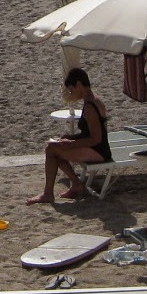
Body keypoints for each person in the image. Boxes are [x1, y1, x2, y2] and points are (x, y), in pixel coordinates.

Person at [27, 68, 110, 204]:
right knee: (55, 147)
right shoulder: (93, 99)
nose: (71, 93)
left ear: (78, 84)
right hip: (99, 148)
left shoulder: (90, 107)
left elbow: (96, 139)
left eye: (71, 90)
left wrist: (70, 144)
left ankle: (49, 193)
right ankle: (76, 185)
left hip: (99, 152)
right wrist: (70, 138)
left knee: (52, 150)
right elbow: (90, 133)